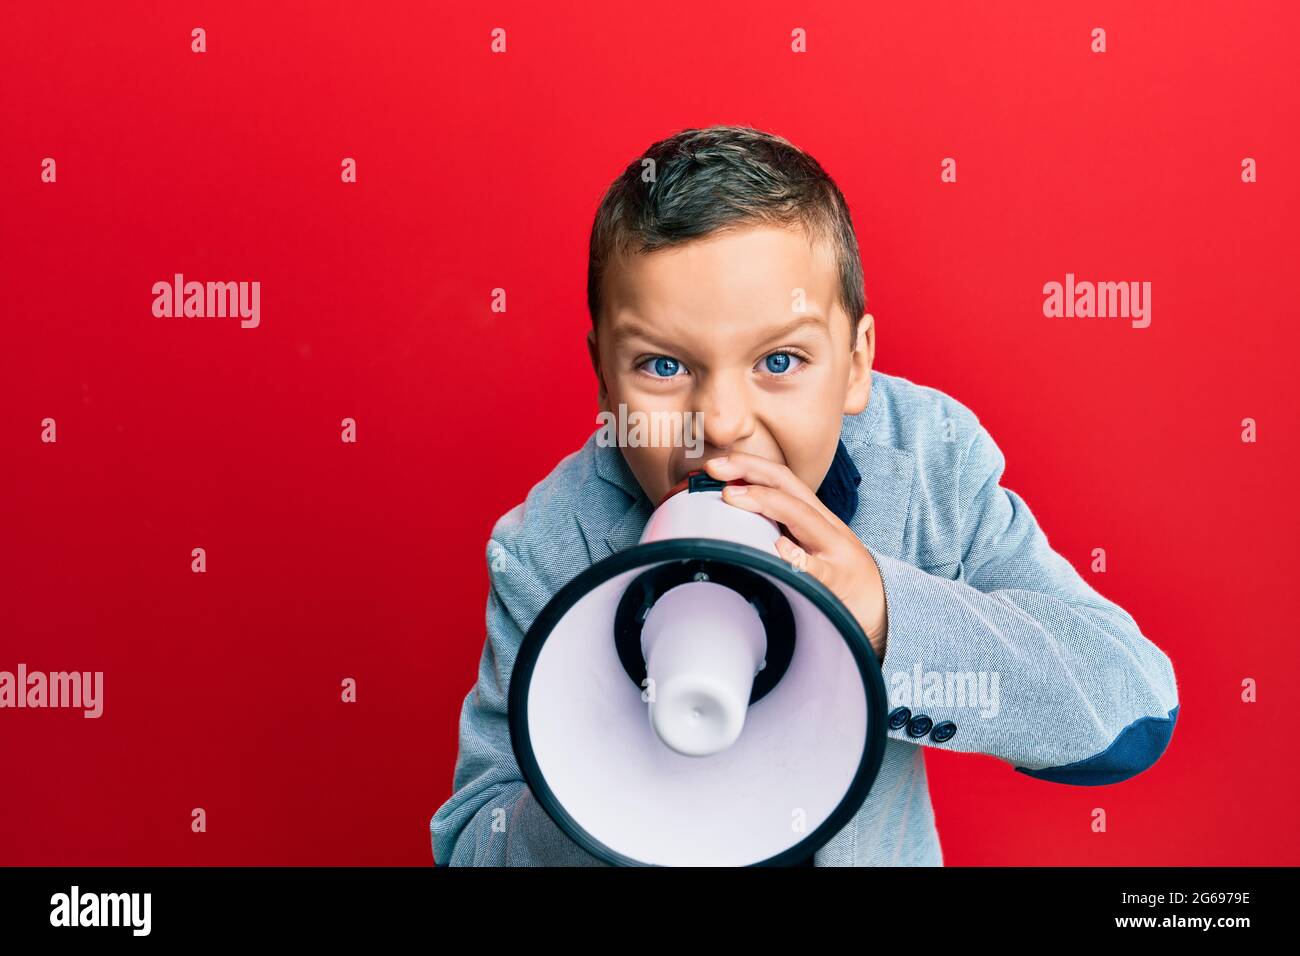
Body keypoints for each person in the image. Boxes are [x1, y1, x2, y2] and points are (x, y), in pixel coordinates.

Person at [430, 125, 1179, 866]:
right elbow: (471, 845)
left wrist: (890, 616)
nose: (720, 424)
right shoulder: (547, 544)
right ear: (602, 374)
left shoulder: (928, 463)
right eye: (662, 366)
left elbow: (1133, 711)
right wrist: (605, 756)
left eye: (779, 359)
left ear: (856, 365)